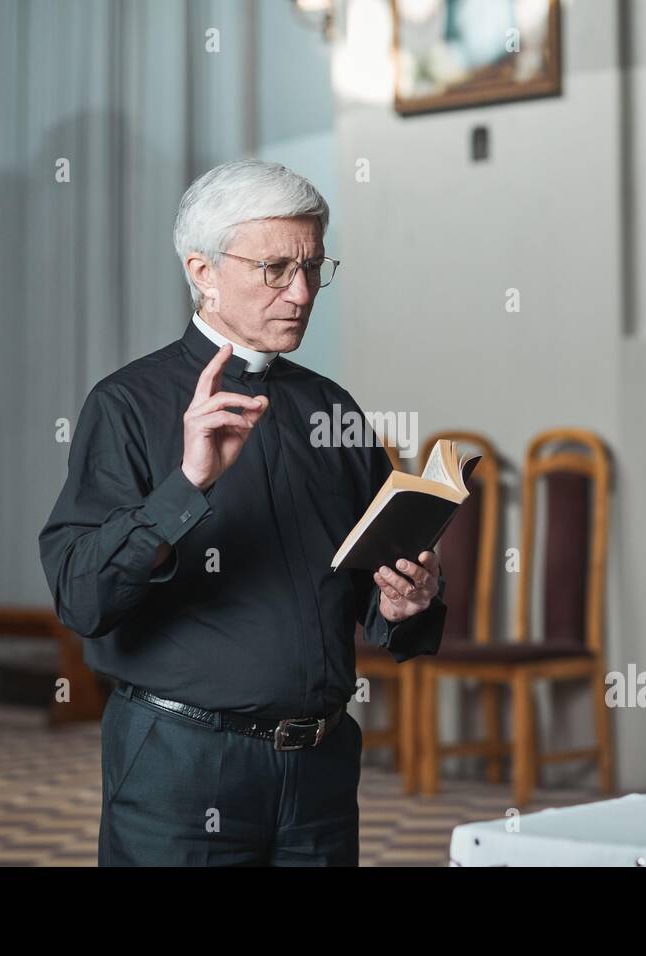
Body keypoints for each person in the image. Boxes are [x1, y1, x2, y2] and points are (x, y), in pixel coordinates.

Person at [38, 159, 447, 866]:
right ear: (202, 270)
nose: (301, 291)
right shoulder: (127, 405)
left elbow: (369, 592)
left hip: (319, 769)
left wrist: (407, 604)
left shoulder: (332, 408)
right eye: (276, 268)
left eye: (315, 267)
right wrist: (187, 483)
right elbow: (81, 597)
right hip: (182, 769)